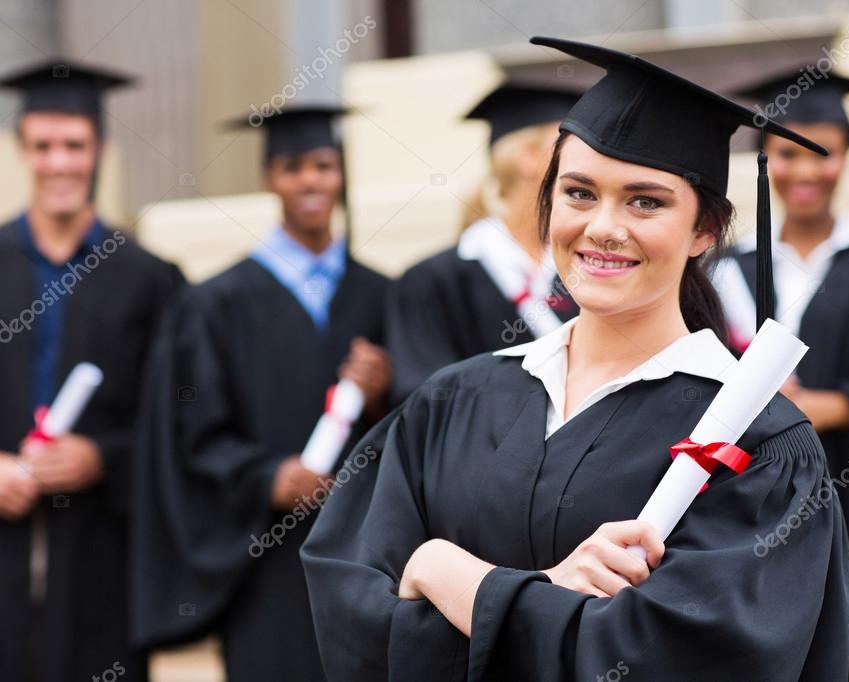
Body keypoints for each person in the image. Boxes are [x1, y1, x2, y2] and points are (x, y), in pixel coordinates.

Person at [302, 37, 849, 681]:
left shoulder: (759, 444)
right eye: (579, 193)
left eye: (645, 201)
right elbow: (350, 613)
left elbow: (680, 658)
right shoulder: (451, 402)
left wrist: (447, 573)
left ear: (705, 231)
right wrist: (548, 601)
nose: (603, 227)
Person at [131, 106, 392, 681]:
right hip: (263, 556)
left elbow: (415, 425)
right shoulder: (215, 304)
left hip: (362, 551)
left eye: (323, 165)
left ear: (340, 174)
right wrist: (266, 476)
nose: (310, 181)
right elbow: (191, 431)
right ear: (269, 178)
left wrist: (381, 392)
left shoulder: (380, 294)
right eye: (292, 166)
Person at [716, 68, 849, 682]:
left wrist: (807, 406)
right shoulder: (722, 272)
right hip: (752, 504)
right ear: (765, 157)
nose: (806, 171)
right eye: (788, 153)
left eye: (824, 154)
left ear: (847, 157)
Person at [0, 59, 182, 681]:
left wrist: (103, 458)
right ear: (22, 149)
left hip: (104, 545)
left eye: (74, 146)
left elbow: (177, 419)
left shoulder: (149, 279)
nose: (60, 163)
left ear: (99, 148)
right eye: (44, 146)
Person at [387, 82, 580, 400]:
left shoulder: (580, 268)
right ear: (527, 158)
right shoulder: (434, 280)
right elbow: (424, 395)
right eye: (565, 143)